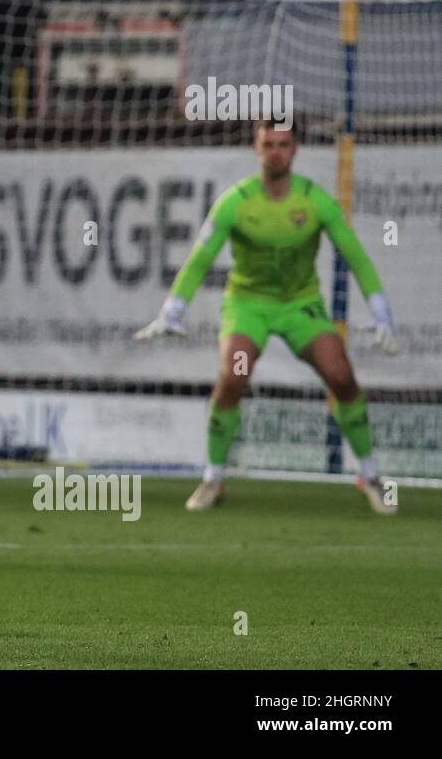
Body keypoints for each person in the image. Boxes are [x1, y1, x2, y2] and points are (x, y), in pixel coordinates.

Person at [136, 120, 398, 514]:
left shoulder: (315, 201)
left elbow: (355, 256)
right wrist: (173, 310)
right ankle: (213, 478)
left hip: (300, 307)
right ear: (256, 149)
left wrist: (381, 312)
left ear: (295, 150)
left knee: (341, 376)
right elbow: (200, 259)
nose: (276, 151)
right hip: (248, 307)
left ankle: (370, 475)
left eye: (283, 144)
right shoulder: (235, 201)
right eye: (268, 144)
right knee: (235, 375)